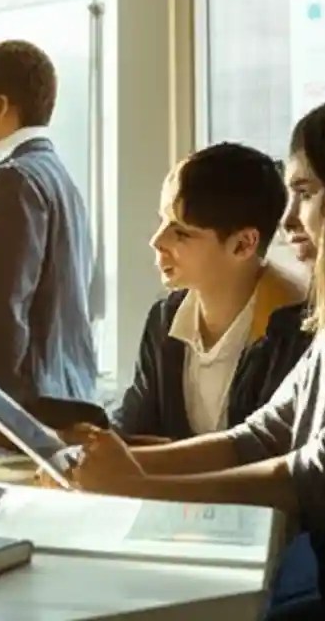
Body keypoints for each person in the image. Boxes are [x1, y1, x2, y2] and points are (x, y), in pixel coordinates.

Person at [68, 87, 325, 613]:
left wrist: (139, 486)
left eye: (307, 193)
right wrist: (120, 467)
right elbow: (263, 437)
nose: (289, 219)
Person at [109, 142, 310, 442]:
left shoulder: (296, 333)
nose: (157, 240)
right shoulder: (165, 320)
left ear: (244, 244)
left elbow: (275, 456)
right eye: (163, 220)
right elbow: (134, 427)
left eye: (181, 232)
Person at [0, 40, 98, 441]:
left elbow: (0, 312)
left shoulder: (12, 180)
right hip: (65, 393)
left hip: (19, 405)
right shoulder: (59, 178)